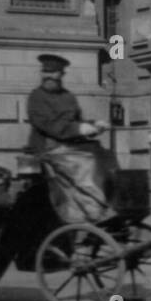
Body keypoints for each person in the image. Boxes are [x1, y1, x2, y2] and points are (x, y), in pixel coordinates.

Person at [26, 54, 116, 224]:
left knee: (105, 156)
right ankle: (94, 211)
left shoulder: (68, 97)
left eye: (54, 73)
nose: (49, 76)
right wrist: (80, 129)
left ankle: (112, 202)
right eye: (46, 72)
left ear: (62, 74)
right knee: (86, 162)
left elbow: (76, 122)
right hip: (48, 149)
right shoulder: (36, 97)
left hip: (69, 147)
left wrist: (95, 125)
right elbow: (49, 125)